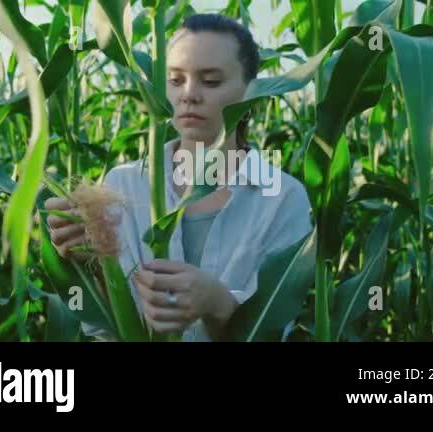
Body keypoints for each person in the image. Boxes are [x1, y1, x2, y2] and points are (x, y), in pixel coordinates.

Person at [45, 13, 313, 341]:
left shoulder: (284, 199)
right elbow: (103, 326)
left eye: (211, 81)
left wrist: (215, 302)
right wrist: (89, 265)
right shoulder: (122, 186)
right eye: (175, 80)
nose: (189, 94)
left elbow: (271, 328)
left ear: (252, 92)